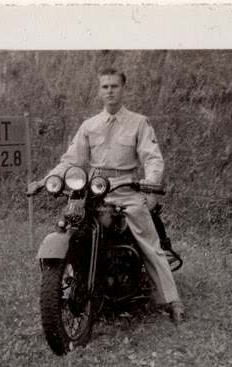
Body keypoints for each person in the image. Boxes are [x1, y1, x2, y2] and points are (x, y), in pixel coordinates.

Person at [30, 68, 184, 324]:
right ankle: (73, 282)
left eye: (114, 86)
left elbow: (152, 158)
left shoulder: (139, 122)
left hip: (126, 189)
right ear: (99, 91)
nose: (110, 91)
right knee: (72, 225)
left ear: (123, 89)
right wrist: (45, 180)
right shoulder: (89, 126)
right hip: (93, 191)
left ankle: (172, 300)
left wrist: (149, 185)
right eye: (105, 87)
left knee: (148, 240)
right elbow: (71, 160)